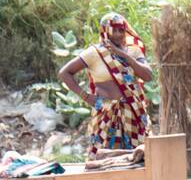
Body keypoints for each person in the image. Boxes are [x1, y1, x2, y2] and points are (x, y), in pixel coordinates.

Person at [58, 13, 153, 156]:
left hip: (133, 110)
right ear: (105, 31)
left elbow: (148, 76)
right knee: (104, 155)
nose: (118, 34)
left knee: (140, 155)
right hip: (106, 111)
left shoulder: (133, 50)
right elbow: (64, 73)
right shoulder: (95, 53)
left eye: (121, 30)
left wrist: (124, 56)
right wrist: (85, 96)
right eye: (114, 30)